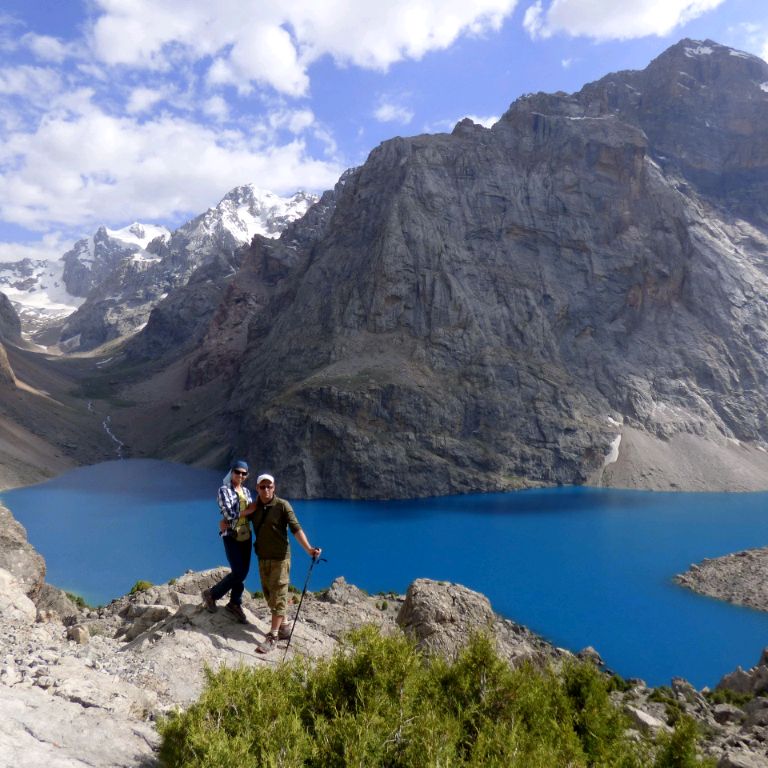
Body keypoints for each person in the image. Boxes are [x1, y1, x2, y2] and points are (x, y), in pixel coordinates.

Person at [249, 472, 321, 653]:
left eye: (269, 486)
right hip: (263, 557)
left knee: (279, 594)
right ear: (257, 488)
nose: (266, 490)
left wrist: (309, 549)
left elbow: (296, 529)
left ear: (274, 488)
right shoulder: (254, 507)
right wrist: (226, 523)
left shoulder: (282, 506)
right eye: (262, 486)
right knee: (268, 594)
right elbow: (240, 521)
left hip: (281, 558)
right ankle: (285, 626)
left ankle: (273, 636)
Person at [201, 459, 257, 623]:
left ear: (246, 476)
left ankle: (234, 603)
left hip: (246, 535)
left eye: (243, 473)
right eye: (237, 472)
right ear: (231, 472)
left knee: (243, 573)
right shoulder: (224, 490)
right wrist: (250, 510)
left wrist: (251, 511)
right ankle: (212, 594)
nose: (240, 475)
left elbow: (251, 514)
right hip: (231, 534)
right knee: (238, 571)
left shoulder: (246, 492)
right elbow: (230, 513)